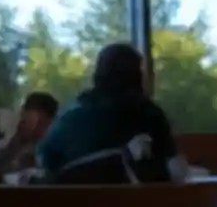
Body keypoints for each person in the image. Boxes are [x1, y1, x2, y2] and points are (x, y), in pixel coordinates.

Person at [36, 43, 181, 183]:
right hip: (139, 206)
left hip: (75, 206)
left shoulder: (70, 117)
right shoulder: (152, 116)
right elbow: (174, 168)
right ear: (138, 77)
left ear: (97, 75)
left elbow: (45, 161)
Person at [4, 91, 59, 172]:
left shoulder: (50, 152)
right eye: (30, 121)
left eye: (40, 123)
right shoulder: (7, 144)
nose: (34, 127)